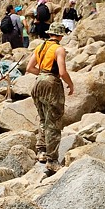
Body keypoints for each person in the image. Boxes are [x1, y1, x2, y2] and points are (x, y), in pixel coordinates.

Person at [25, 21, 74, 174]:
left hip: (38, 82)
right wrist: (71, 84)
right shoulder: (59, 49)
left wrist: (42, 75)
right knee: (53, 120)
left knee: (42, 118)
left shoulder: (39, 47)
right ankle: (52, 160)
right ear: (60, 35)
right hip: (51, 83)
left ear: (49, 34)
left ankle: (41, 152)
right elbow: (62, 72)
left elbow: (29, 68)